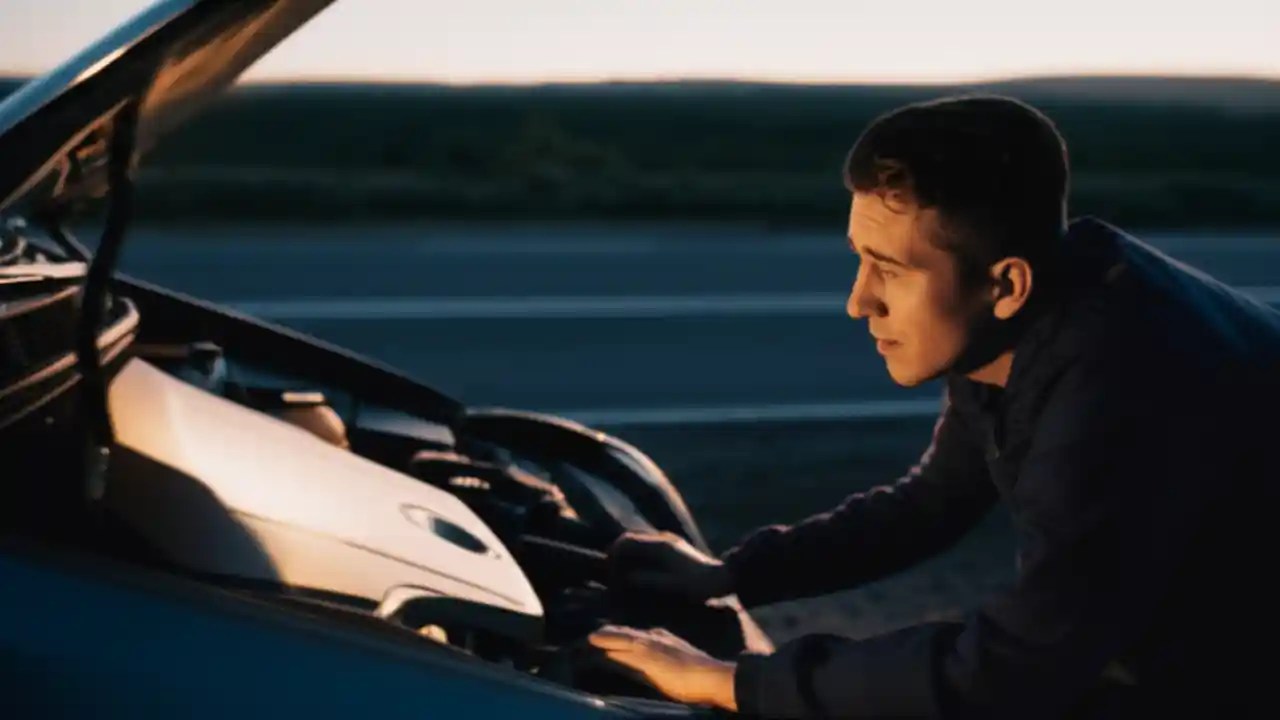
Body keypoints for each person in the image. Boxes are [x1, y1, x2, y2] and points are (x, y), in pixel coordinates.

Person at [586, 94, 1280, 718]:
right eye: (859, 259)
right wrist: (736, 572)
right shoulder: (1032, 309)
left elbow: (1011, 669)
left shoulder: (1122, 388)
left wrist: (732, 683)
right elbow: (935, 500)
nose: (859, 301)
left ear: (1005, 284)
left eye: (890, 269)